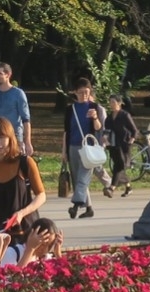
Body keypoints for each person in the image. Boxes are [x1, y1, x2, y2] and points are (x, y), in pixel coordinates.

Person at [0, 117, 46, 234]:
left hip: (23, 232)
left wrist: (22, 213)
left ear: (10, 138)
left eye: (1, 137)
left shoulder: (25, 163)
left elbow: (41, 196)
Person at [64, 78, 104, 220]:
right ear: (75, 92)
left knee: (83, 177)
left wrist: (95, 118)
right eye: (81, 92)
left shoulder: (94, 106)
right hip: (73, 147)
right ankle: (89, 208)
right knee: (77, 179)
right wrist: (64, 151)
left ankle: (75, 206)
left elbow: (98, 128)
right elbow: (66, 132)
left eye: (87, 92)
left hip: (89, 149)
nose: (84, 95)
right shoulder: (70, 110)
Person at [0, 64, 34, 156]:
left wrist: (27, 142)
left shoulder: (18, 94)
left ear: (8, 74)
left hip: (14, 137)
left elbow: (26, 119)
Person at [104, 95, 140, 197]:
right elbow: (106, 131)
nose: (111, 104)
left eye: (113, 102)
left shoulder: (125, 115)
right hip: (112, 144)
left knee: (119, 166)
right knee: (119, 166)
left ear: (119, 103)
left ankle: (111, 188)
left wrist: (132, 138)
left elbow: (134, 130)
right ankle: (128, 187)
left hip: (124, 144)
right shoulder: (109, 117)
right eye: (110, 102)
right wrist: (105, 138)